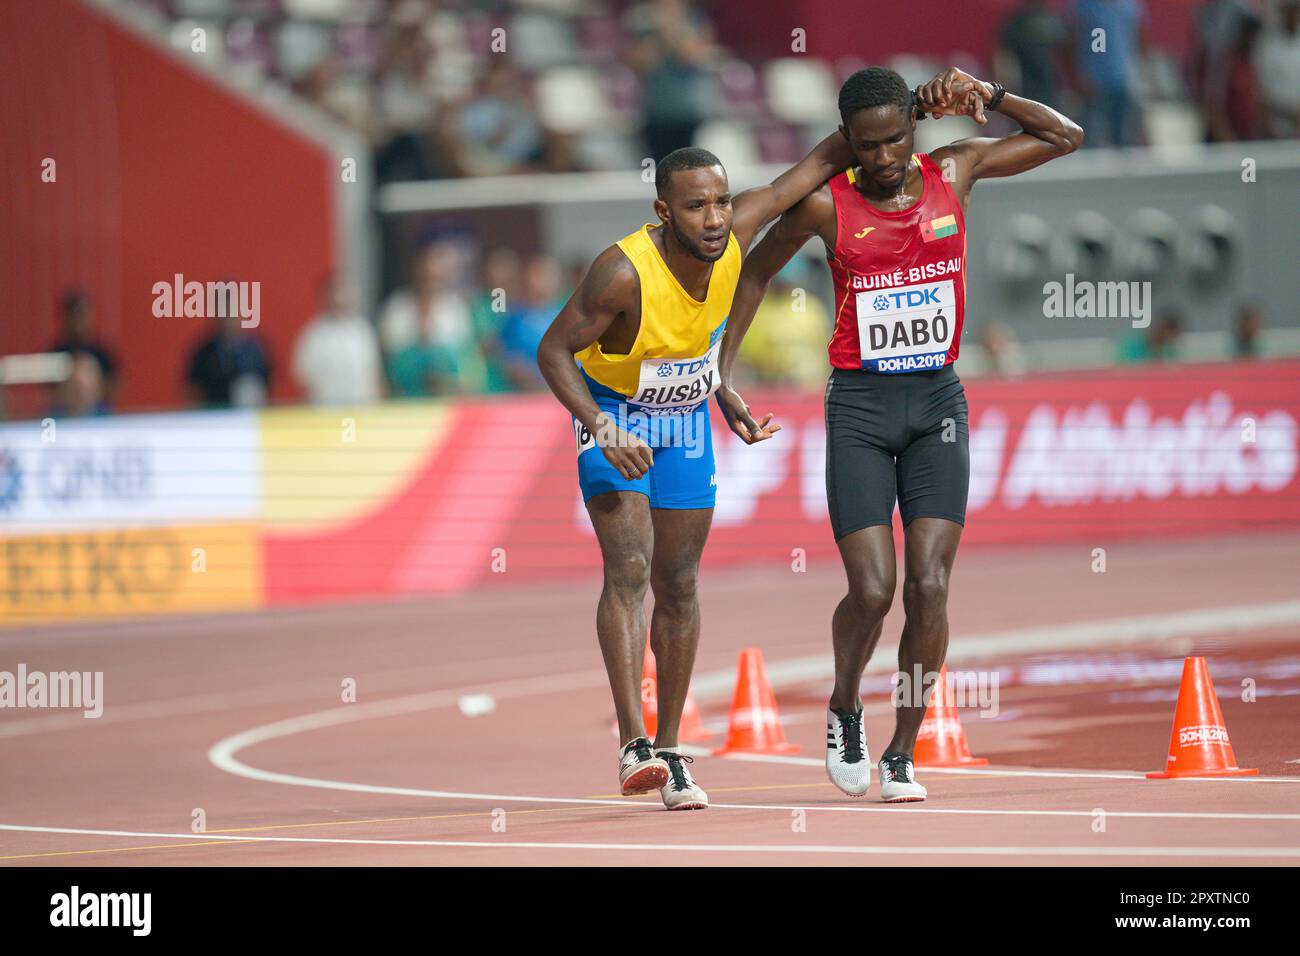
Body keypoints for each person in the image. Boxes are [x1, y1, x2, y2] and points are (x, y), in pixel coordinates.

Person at [719, 66, 1083, 802]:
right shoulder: (828, 205)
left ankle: (902, 750)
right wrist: (723, 373)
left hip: (937, 405)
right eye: (865, 146)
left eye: (893, 141)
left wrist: (992, 93)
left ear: (914, 131)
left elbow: (1064, 136)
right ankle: (846, 705)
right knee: (874, 588)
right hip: (858, 408)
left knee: (930, 583)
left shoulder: (958, 169)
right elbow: (754, 270)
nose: (882, 159)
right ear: (844, 143)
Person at [536, 133, 854, 810]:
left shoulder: (735, 230)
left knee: (677, 582)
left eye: (718, 202)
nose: (713, 219)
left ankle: (673, 750)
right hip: (617, 413)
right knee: (628, 570)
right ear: (663, 212)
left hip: (682, 419)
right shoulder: (621, 272)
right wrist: (600, 425)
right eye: (695, 208)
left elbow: (817, 165)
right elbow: (554, 351)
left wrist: (908, 111)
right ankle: (632, 745)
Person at [292, 274, 384, 406]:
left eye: (343, 293)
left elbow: (374, 376)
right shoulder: (312, 336)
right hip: (325, 414)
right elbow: (304, 381)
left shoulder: (363, 332)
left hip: (362, 412)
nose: (339, 299)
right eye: (334, 293)